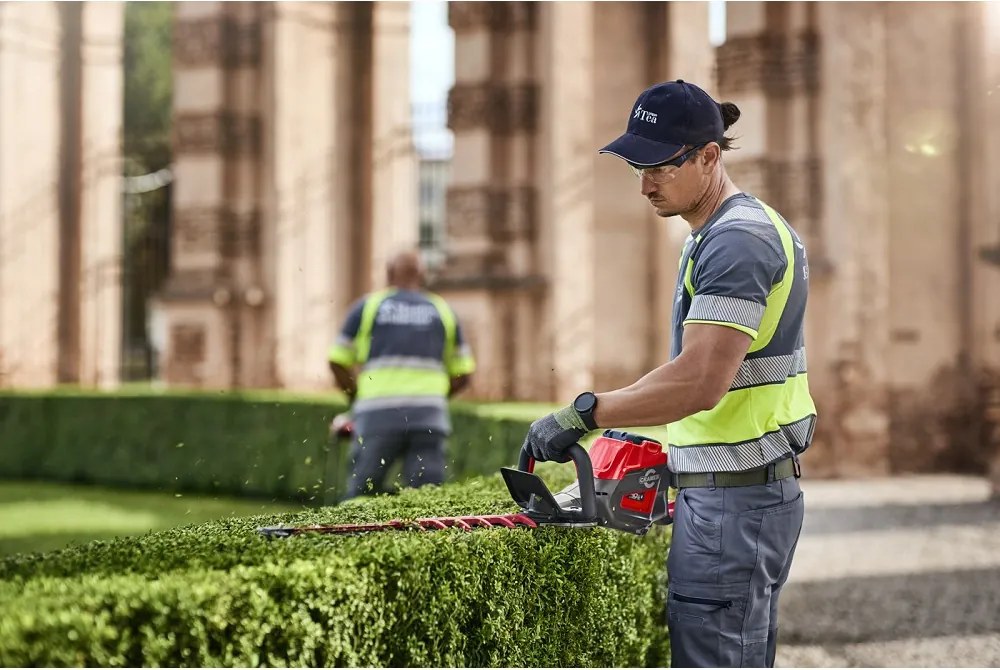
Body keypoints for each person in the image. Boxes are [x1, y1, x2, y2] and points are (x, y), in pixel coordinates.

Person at [520, 80, 817, 668]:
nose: (644, 183)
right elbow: (695, 369)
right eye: (636, 165)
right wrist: (632, 438)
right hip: (743, 494)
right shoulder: (723, 230)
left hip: (735, 508)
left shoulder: (737, 242)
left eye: (659, 165)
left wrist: (585, 413)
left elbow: (699, 383)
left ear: (709, 156)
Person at [327, 250, 476, 499]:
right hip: (429, 419)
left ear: (388, 274)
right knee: (427, 501)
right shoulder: (442, 309)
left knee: (360, 498)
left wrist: (356, 398)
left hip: (377, 416)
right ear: (422, 275)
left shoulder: (369, 306)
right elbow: (464, 374)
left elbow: (337, 361)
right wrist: (434, 399)